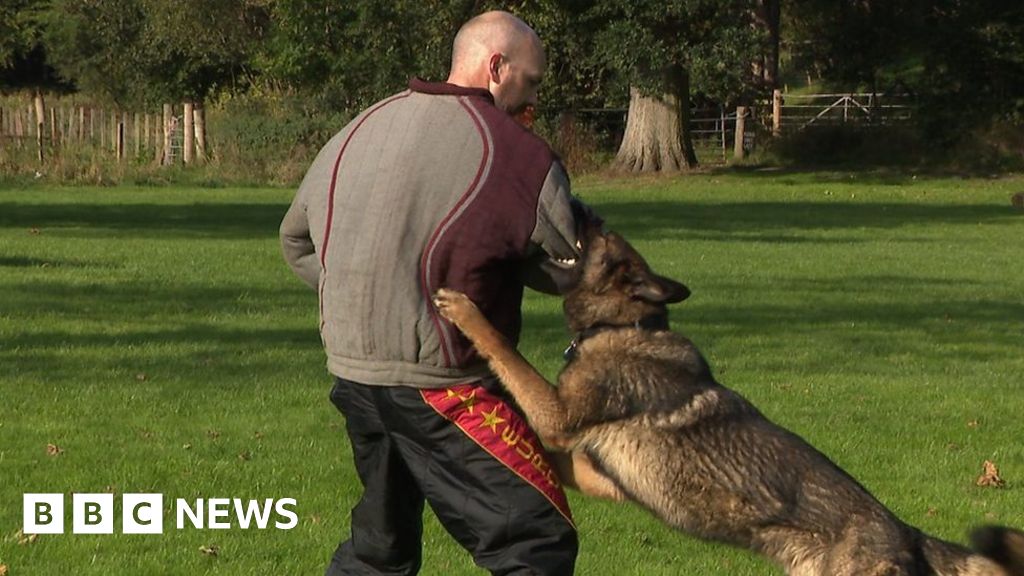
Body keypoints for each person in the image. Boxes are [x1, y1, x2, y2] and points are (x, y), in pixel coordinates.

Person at [280, 10, 588, 576]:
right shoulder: (518, 154)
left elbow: (296, 238)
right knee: (535, 541)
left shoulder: (359, 127)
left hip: (353, 374)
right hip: (444, 387)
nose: (533, 100)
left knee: (380, 550)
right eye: (532, 82)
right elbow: (572, 263)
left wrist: (363, 296)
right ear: (497, 67)